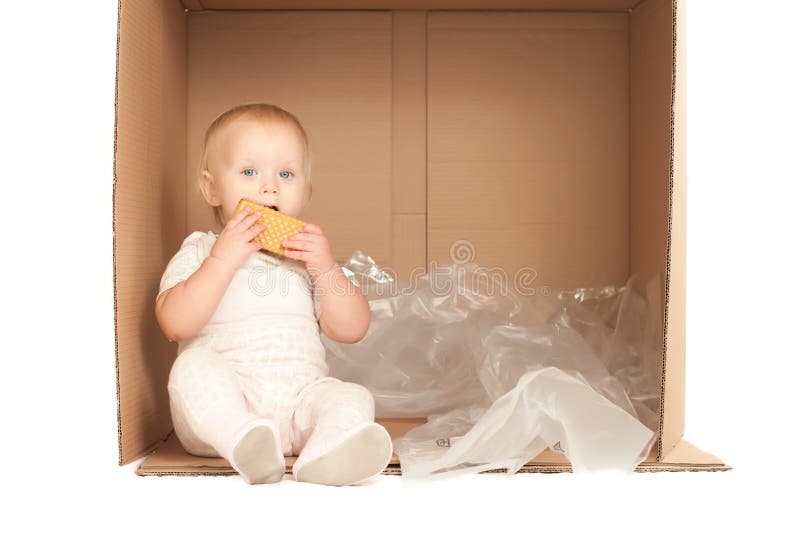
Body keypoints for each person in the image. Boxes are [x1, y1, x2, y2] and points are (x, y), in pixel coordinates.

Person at [154, 103, 393, 485]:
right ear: (211, 188)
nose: (269, 186)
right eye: (249, 172)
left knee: (351, 395)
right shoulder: (200, 250)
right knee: (191, 370)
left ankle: (328, 451)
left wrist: (326, 267)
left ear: (306, 191)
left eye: (286, 173)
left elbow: (353, 328)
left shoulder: (306, 262)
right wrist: (222, 259)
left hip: (299, 407)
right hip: (220, 415)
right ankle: (243, 438)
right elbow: (174, 324)